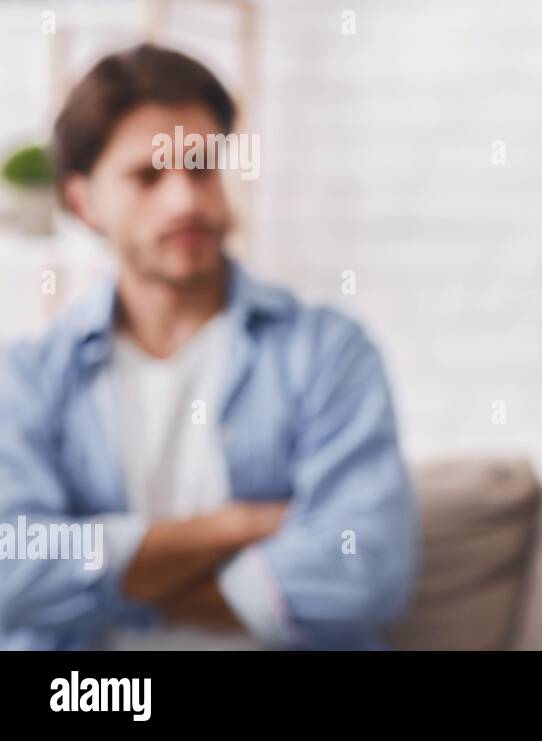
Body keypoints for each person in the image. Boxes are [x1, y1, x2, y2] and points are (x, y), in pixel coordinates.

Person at [0, 44, 418, 650]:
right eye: (148, 176)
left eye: (201, 168)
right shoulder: (27, 379)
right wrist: (238, 526)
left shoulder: (327, 351)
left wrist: (115, 576)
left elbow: (370, 567)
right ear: (82, 201)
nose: (185, 200)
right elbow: (12, 569)